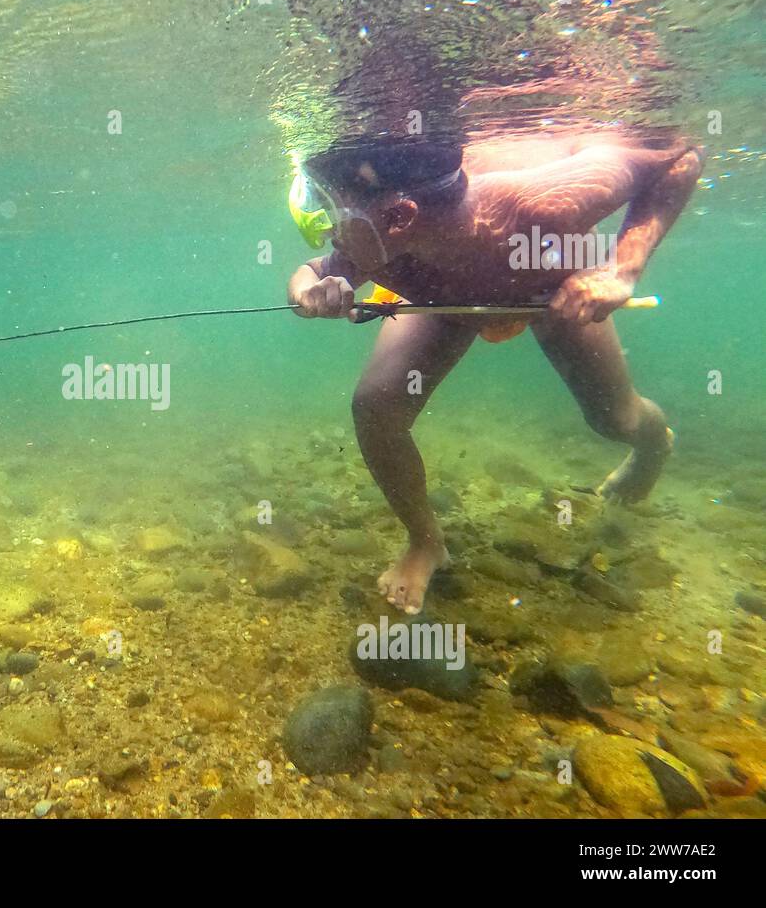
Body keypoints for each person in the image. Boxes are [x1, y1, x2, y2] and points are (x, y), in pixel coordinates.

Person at [286, 132, 704, 615]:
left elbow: (680, 155)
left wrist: (622, 270)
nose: (328, 234)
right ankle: (425, 541)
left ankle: (653, 444)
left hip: (552, 292)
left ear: (400, 219)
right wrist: (311, 291)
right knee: (377, 406)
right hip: (445, 304)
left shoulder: (542, 203)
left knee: (614, 419)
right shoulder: (379, 236)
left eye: (330, 215)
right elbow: (311, 270)